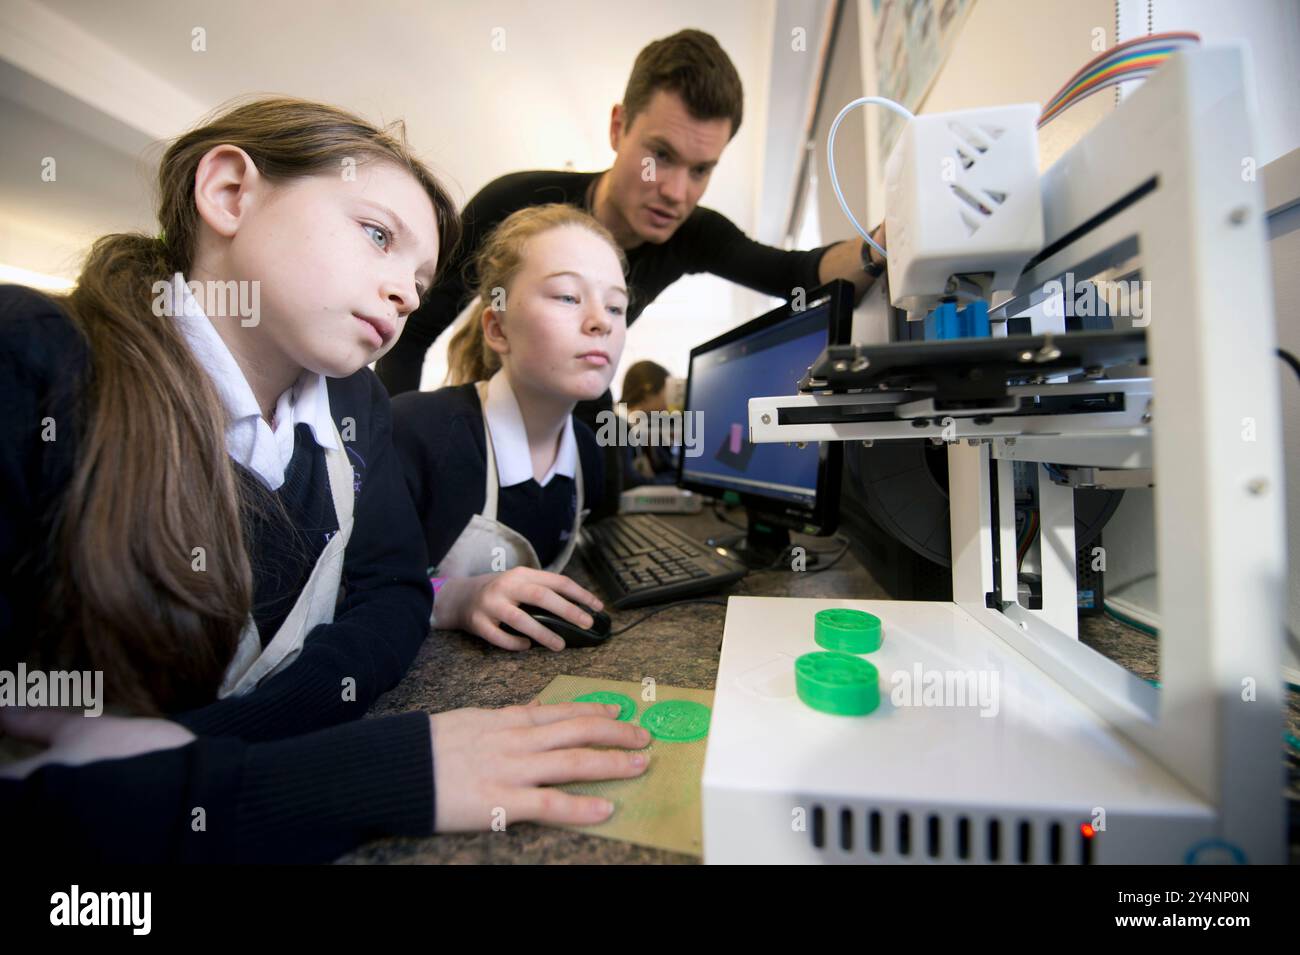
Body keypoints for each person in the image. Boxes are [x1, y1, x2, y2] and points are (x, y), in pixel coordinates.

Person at [0, 98, 648, 863]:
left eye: (419, 276)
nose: (407, 294)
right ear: (229, 192)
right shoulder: (32, 362)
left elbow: (393, 592)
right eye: (377, 234)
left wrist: (195, 746)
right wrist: (376, 770)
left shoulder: (356, 407)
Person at [392, 205, 625, 652]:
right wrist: (453, 598)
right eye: (567, 297)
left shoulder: (592, 454)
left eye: (616, 305)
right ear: (497, 329)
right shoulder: (418, 432)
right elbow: (339, 593)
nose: (602, 321)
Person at [617, 360, 678, 488]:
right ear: (648, 390)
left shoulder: (646, 426)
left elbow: (669, 469)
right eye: (667, 391)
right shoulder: (616, 426)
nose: (670, 399)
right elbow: (630, 482)